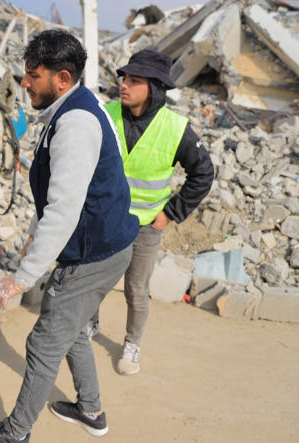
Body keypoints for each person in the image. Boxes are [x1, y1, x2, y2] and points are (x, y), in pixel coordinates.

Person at [0, 30, 139, 443]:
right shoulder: (71, 108)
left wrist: (21, 278)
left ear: (62, 78)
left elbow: (63, 209)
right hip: (106, 243)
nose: (25, 83)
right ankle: (91, 411)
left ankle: (15, 434)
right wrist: (32, 237)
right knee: (72, 328)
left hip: (94, 253)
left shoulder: (75, 124)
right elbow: (57, 194)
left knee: (44, 341)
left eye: (33, 75)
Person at [95, 49, 214, 375]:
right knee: (94, 279)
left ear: (155, 88)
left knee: (136, 289)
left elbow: (203, 174)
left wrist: (170, 213)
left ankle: (132, 344)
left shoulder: (175, 128)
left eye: (134, 80)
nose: (124, 85)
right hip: (106, 220)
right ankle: (89, 322)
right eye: (124, 78)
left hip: (146, 225)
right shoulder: (106, 115)